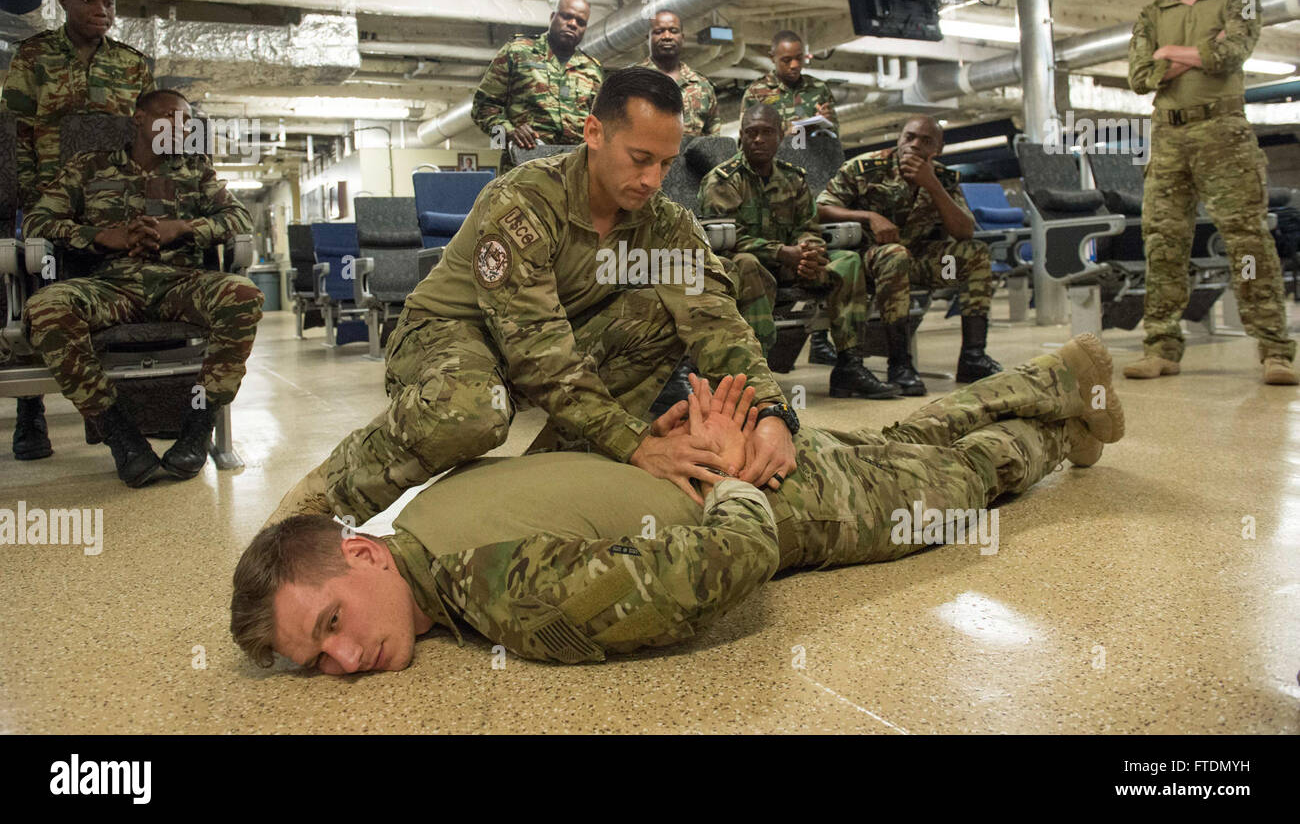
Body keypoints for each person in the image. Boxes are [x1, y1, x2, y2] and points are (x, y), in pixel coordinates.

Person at [231, 334, 1124, 672]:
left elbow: (727, 566)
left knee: (960, 484)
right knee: (898, 442)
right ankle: (1057, 382)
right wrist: (671, 440)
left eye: (332, 623)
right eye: (320, 660)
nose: (346, 658)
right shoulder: (424, 513)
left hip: (768, 499)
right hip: (710, 459)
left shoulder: (494, 590)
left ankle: (1053, 431)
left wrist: (729, 472)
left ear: (361, 552)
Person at [268, 68, 797, 528]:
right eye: (640, 159)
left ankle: (549, 481)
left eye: (666, 163)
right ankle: (319, 504)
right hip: (449, 334)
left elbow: (715, 318)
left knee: (662, 312)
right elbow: (538, 354)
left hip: (552, 340)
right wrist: (637, 442)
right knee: (474, 411)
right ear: (594, 133)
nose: (652, 180)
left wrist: (773, 413)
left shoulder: (664, 223)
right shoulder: (525, 201)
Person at [22, 90, 262, 486]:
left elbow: (238, 218)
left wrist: (182, 228)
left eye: (187, 121)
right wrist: (102, 236)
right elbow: (38, 220)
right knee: (47, 306)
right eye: (170, 116)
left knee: (243, 294)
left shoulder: (195, 169)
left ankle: (198, 428)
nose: (181, 127)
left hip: (179, 283)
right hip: (110, 285)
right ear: (139, 118)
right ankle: (120, 436)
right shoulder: (89, 167)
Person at [1125, 0, 1297, 385]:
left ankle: (1275, 351)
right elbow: (1139, 78)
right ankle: (1161, 347)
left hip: (1224, 133)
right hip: (1168, 137)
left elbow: (1232, 54)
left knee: (1247, 240)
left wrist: (1167, 54)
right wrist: (1198, 51)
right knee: (1163, 242)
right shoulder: (1153, 13)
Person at [1, 0, 155, 461]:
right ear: (63, 2)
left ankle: (104, 410)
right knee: (37, 292)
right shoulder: (35, 56)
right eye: (89, 1)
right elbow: (15, 131)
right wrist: (28, 198)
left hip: (111, 202)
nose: (102, 11)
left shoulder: (132, 64)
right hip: (48, 198)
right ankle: (31, 409)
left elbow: (144, 138)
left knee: (107, 295)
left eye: (109, 2)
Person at [699, 104, 896, 399]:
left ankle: (849, 366)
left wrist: (809, 253)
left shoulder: (793, 179)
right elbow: (726, 238)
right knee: (745, 262)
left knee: (847, 261)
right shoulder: (723, 180)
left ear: (780, 135)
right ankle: (755, 373)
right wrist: (782, 252)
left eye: (767, 132)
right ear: (741, 135)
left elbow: (808, 226)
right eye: (751, 133)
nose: (758, 139)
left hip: (792, 262)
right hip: (750, 265)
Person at [816, 116, 1001, 395]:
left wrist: (932, 185)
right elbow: (820, 209)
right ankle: (900, 365)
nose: (914, 145)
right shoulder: (866, 167)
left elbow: (964, 232)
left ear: (937, 150)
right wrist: (869, 217)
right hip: (866, 258)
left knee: (976, 254)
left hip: (915, 258)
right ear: (899, 139)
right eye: (909, 137)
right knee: (895, 255)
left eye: (926, 141)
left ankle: (973, 358)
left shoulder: (942, 178)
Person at [470, 0, 603, 175]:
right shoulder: (517, 52)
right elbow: (480, 109)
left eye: (581, 22)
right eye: (566, 16)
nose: (573, 24)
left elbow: (600, 125)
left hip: (574, 173)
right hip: (523, 170)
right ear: (552, 17)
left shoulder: (592, 69)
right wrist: (508, 134)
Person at [636, 10, 721, 136]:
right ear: (647, 39)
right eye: (659, 32)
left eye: (673, 31)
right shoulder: (631, 81)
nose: (667, 36)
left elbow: (714, 139)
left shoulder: (702, 85)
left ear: (682, 37)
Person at [740, 30, 837, 136]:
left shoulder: (819, 88)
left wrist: (829, 122)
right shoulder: (755, 93)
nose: (794, 65)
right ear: (772, 58)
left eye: (799, 58)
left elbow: (834, 136)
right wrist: (785, 135)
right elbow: (746, 140)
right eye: (786, 60)